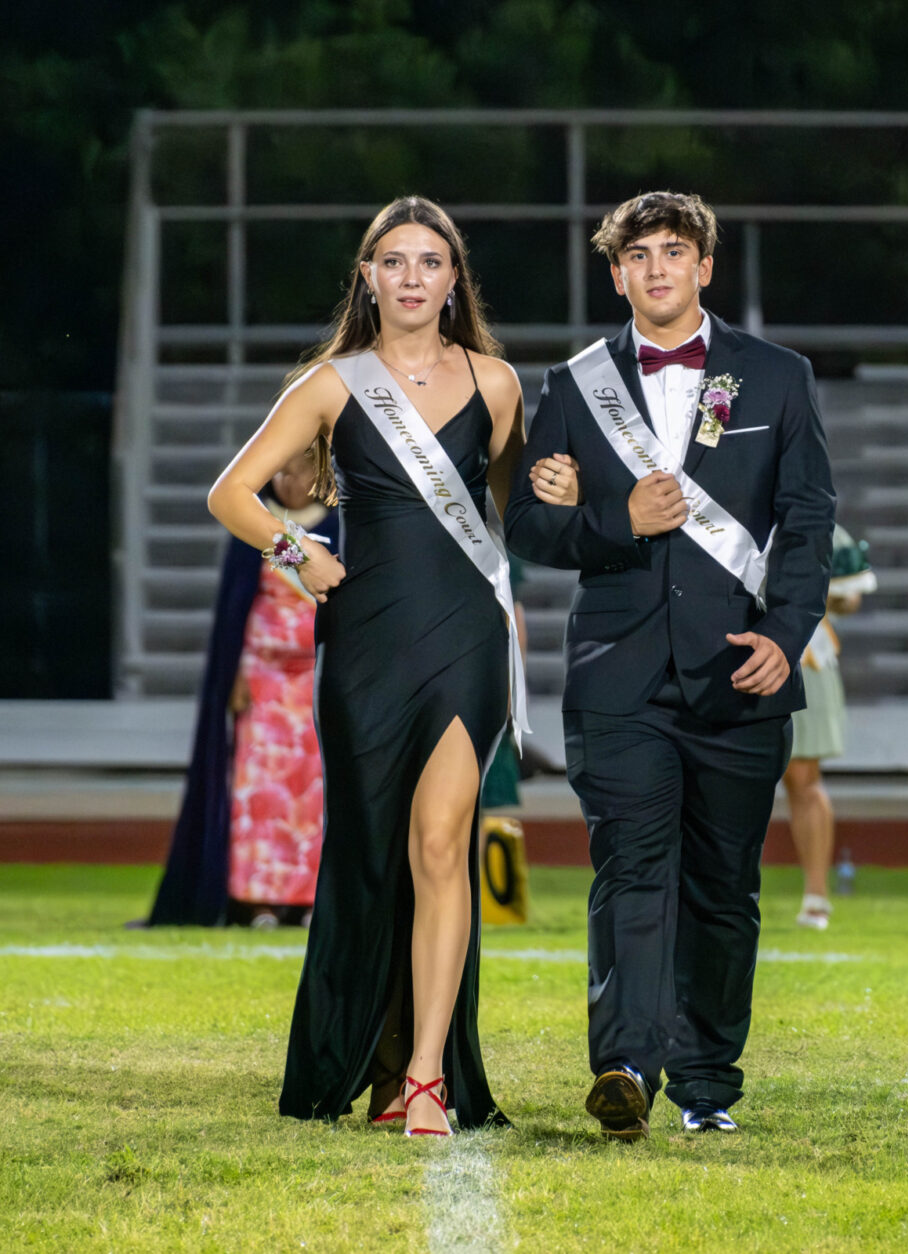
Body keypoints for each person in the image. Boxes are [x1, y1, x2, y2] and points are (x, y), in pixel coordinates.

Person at [505, 191, 835, 1139]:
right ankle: (624, 1065)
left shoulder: (776, 377)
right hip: (619, 673)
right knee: (632, 868)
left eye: (674, 251)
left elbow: (808, 522)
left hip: (740, 672)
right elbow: (529, 525)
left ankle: (706, 1086)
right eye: (638, 255)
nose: (656, 268)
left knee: (723, 889)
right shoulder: (574, 384)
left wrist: (786, 634)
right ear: (617, 275)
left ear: (704, 267)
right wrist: (614, 521)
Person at [207, 195, 526, 1137]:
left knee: (441, 846)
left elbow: (520, 522)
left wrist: (568, 492)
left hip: (467, 635)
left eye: (432, 262)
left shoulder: (498, 382)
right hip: (365, 642)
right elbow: (232, 493)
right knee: (371, 853)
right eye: (396, 262)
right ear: (370, 277)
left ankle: (426, 1073)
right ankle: (374, 1064)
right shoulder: (331, 383)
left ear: (454, 279)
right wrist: (296, 553)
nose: (415, 278)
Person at [147, 451, 338, 929]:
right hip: (263, 682)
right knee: (261, 792)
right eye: (281, 471)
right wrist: (232, 673)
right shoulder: (261, 526)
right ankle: (259, 900)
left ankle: (312, 897)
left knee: (316, 796)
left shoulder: (342, 523)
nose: (286, 481)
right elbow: (237, 607)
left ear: (321, 475)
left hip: (318, 678)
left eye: (298, 472)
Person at [784, 525, 875, 930]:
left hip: (803, 657)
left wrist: (807, 592)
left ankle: (816, 896)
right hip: (731, 649)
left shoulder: (819, 520)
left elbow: (851, 596)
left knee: (803, 779)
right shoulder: (719, 502)